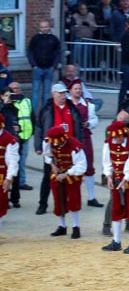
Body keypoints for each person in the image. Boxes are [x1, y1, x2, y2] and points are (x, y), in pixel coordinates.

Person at [35, 83, 84, 216]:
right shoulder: (47, 109)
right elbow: (39, 127)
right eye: (60, 93)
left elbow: (79, 126)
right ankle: (42, 204)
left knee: (72, 176)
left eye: (64, 93)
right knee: (47, 177)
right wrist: (38, 146)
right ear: (53, 94)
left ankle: (69, 203)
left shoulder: (72, 107)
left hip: (69, 147)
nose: (63, 96)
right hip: (53, 148)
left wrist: (80, 143)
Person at [100, 116, 129, 254]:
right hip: (117, 180)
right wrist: (108, 176)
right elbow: (107, 161)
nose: (117, 139)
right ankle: (116, 241)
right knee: (116, 210)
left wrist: (126, 179)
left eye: (119, 136)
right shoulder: (108, 144)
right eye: (115, 137)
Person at [43, 125, 86, 239]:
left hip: (72, 175)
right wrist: (52, 165)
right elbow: (47, 155)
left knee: (73, 200)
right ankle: (62, 226)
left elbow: (81, 166)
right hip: (58, 174)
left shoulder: (75, 146)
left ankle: (76, 226)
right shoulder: (49, 141)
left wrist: (66, 174)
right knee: (58, 199)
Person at [26, 20, 61, 113]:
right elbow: (30, 52)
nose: (44, 29)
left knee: (46, 93)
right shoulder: (35, 38)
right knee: (35, 93)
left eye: (46, 26)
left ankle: (45, 113)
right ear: (39, 28)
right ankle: (33, 113)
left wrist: (54, 65)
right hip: (37, 68)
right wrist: (33, 65)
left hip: (49, 68)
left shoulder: (54, 39)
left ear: (49, 27)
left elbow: (58, 53)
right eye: (42, 27)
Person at [0, 121, 19, 232]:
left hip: (1, 176)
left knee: (0, 204)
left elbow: (13, 161)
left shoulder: (9, 140)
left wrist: (8, 178)